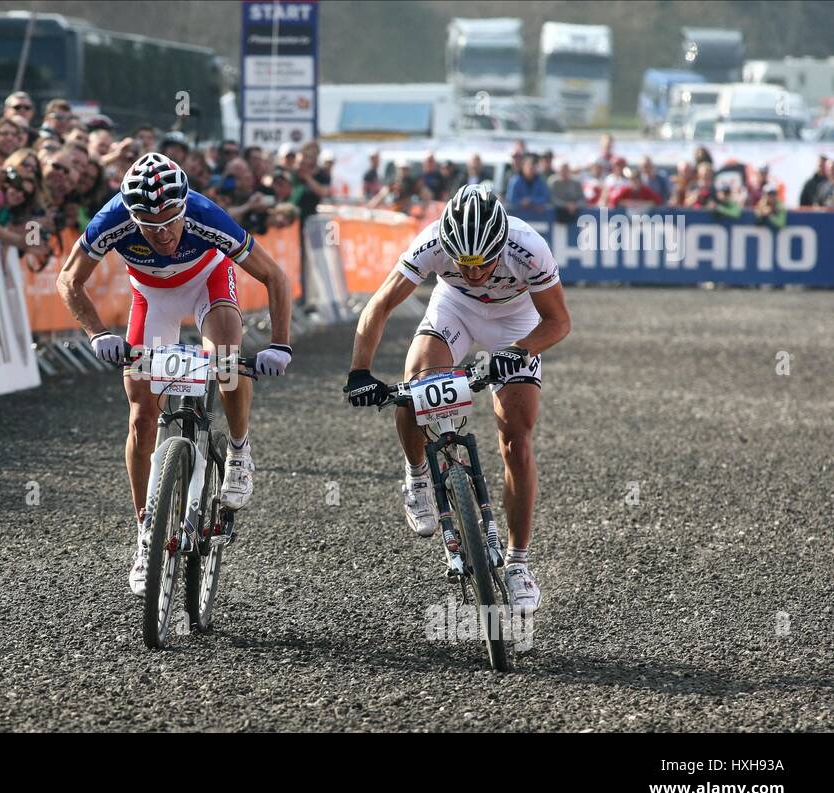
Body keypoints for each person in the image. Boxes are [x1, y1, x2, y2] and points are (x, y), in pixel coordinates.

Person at [57, 153, 293, 597]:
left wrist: (279, 344)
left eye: (171, 220)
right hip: (152, 297)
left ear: (185, 206)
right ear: (131, 215)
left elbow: (275, 277)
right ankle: (146, 533)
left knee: (227, 360)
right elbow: (69, 280)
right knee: (141, 417)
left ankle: (239, 451)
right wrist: (97, 334)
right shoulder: (112, 219)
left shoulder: (206, 215)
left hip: (209, 283)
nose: (163, 232)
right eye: (149, 224)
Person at [343, 185, 571, 613]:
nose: (473, 272)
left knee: (516, 441)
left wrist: (519, 352)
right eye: (462, 262)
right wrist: (359, 372)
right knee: (413, 388)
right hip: (454, 312)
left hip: (515, 323)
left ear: (499, 246)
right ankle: (417, 477)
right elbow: (379, 304)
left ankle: (519, 563)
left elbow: (558, 321)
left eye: (483, 263)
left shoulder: (528, 248)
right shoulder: (431, 242)